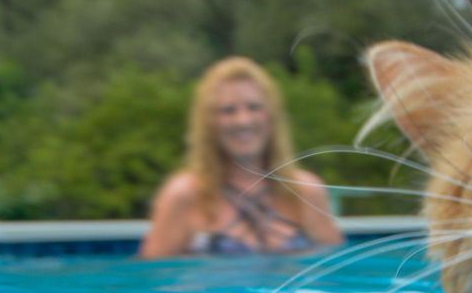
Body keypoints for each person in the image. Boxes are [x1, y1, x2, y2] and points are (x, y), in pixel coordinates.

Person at [139, 57, 343, 259]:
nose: (243, 120)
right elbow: (153, 280)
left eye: (254, 107)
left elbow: (335, 275)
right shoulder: (183, 195)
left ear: (272, 116)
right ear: (208, 123)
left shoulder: (307, 192)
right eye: (228, 111)